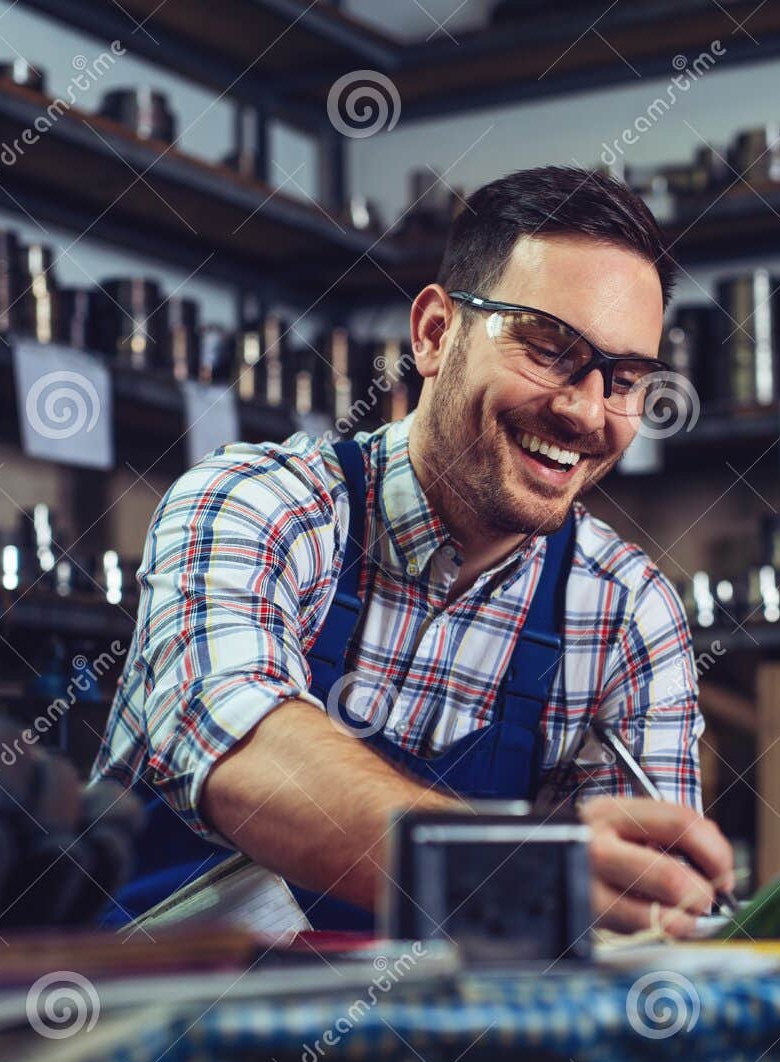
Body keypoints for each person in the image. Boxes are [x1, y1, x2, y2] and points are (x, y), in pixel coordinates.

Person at [91, 165, 734, 935]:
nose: (585, 411)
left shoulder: (627, 613)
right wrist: (513, 863)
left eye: (624, 379)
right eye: (547, 347)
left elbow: (640, 924)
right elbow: (243, 751)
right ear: (434, 334)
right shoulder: (258, 505)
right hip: (156, 1030)